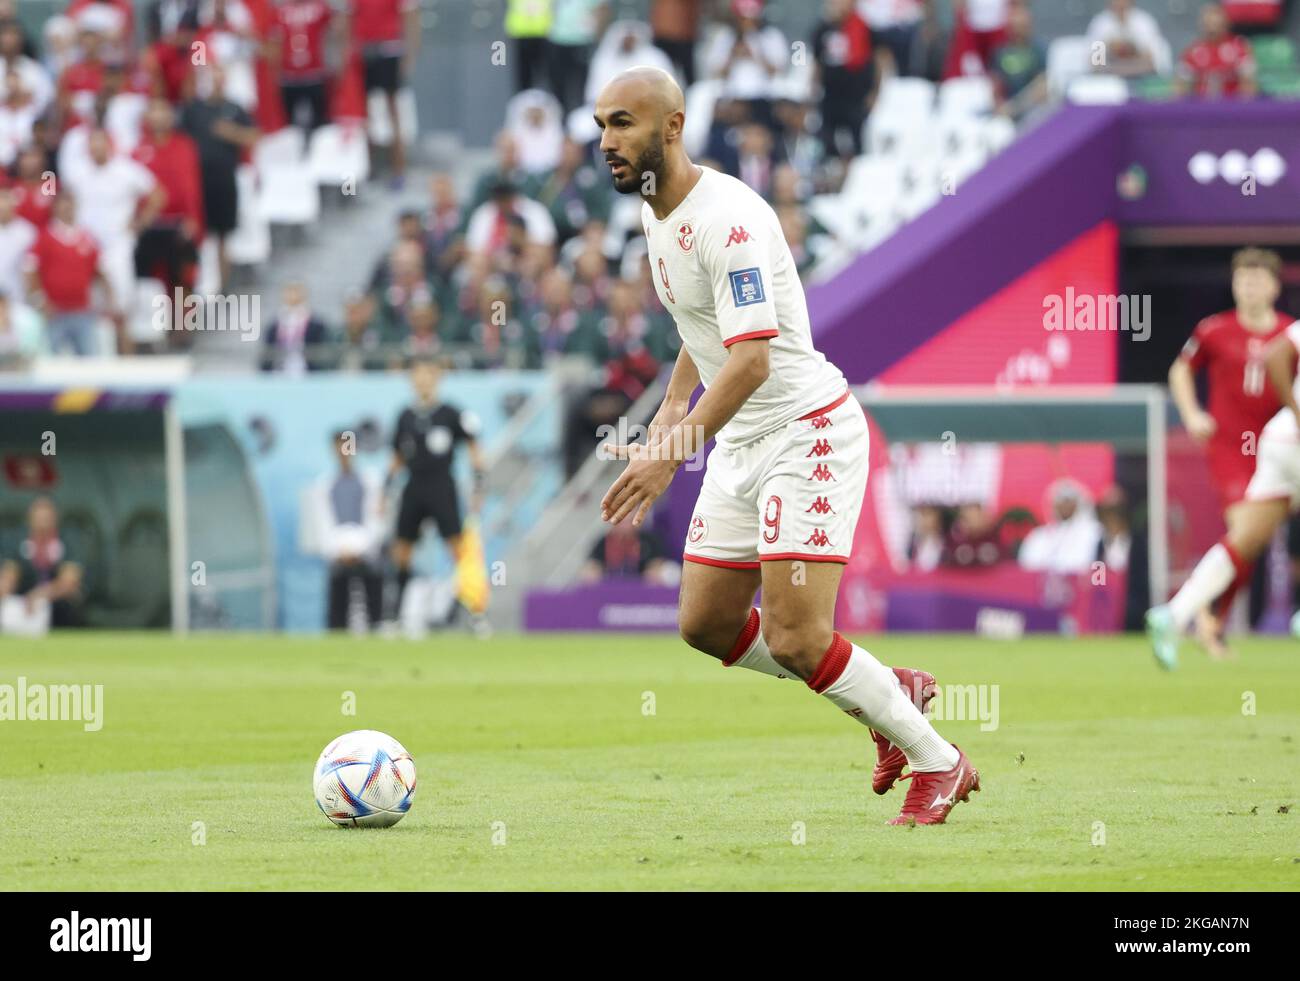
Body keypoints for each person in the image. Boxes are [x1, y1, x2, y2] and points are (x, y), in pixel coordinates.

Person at [593, 66, 976, 826]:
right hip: (742, 437)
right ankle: (881, 688)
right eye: (603, 123)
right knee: (705, 622)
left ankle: (939, 759)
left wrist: (672, 452)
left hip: (806, 431)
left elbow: (753, 358)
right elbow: (700, 326)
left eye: (625, 123)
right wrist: (672, 405)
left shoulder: (727, 218)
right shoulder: (653, 208)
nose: (608, 140)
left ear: (672, 127)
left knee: (799, 635)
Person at [1149, 312, 1300, 670]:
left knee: (1245, 539)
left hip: (1278, 439)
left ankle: (1174, 614)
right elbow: (1278, 354)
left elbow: (1277, 352)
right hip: (1290, 439)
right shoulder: (1216, 329)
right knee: (1244, 537)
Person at [1168, 248, 1291, 656]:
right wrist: (1192, 413)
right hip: (1230, 447)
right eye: (1242, 279)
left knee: (1251, 539)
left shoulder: (1290, 332)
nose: (1249, 287)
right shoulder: (1214, 330)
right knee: (1245, 529)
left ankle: (1208, 618)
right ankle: (1194, 616)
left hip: (1278, 450)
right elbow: (1181, 369)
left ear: (1274, 286)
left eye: (1257, 280)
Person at [387, 356, 487, 626]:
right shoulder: (404, 416)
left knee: (457, 548)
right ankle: (397, 614)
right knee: (401, 550)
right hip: (414, 485)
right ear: (411, 380)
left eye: (428, 375)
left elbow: (474, 448)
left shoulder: (451, 413)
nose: (423, 380)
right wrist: (385, 491)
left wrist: (479, 485)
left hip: (442, 485)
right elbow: (396, 457)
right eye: (417, 375)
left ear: (437, 378)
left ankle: (473, 611)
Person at [24, 191, 121, 356]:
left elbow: (102, 272)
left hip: (82, 311)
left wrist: (110, 301)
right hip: (54, 313)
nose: (67, 208)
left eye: (70, 204)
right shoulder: (45, 238)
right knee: (50, 361)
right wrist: (40, 301)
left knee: (89, 360)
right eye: (62, 204)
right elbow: (29, 270)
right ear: (55, 208)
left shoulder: (87, 238)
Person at [313, 431, 386, 630]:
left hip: (367, 554)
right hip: (338, 554)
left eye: (348, 445)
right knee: (337, 610)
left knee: (374, 607)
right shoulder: (325, 485)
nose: (344, 451)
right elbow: (323, 524)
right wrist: (338, 550)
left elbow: (376, 520)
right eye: (339, 446)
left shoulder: (370, 481)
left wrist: (362, 548)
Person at [0, 497, 84, 629]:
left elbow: (69, 582)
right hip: (23, 605)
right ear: (30, 519)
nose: (42, 523)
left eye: (47, 518)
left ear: (55, 518)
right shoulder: (17, 543)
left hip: (56, 606)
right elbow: (8, 577)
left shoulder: (68, 542)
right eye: (39, 518)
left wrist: (39, 596)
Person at [1017, 480, 1102, 575]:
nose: (1064, 506)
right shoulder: (1040, 534)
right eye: (1060, 500)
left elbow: (1084, 563)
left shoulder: (1092, 531)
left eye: (1068, 501)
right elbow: (1027, 563)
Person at [1175, 2, 1257, 99]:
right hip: (1201, 107)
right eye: (1208, 24)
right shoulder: (1192, 51)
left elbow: (1248, 85)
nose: (1212, 29)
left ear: (1226, 24)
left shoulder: (1240, 47)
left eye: (1216, 24)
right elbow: (1180, 88)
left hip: (1232, 106)